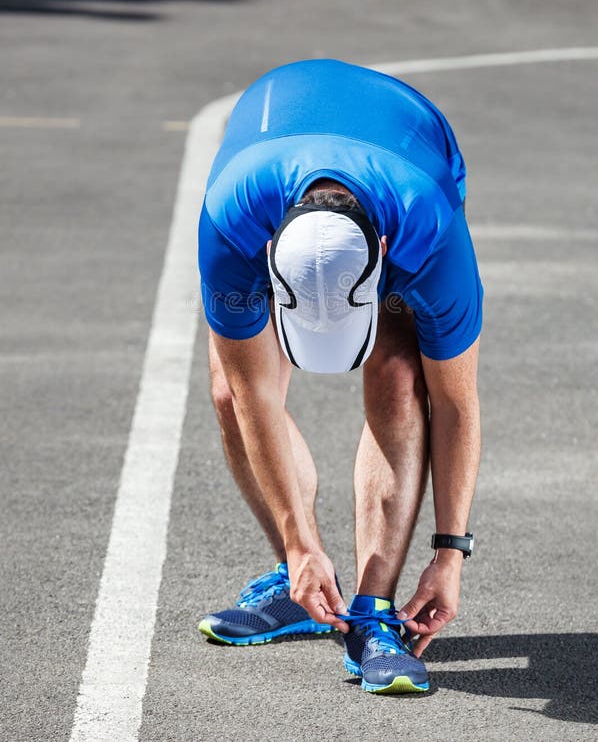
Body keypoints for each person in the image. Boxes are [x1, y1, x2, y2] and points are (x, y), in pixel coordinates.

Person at [197, 59, 483, 694]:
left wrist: (449, 557)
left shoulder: (428, 234)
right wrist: (301, 542)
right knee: (230, 388)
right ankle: (297, 575)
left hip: (405, 137)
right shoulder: (232, 222)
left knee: (401, 372)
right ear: (269, 258)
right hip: (274, 133)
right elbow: (254, 397)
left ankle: (371, 612)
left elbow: (456, 406)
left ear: (382, 260)